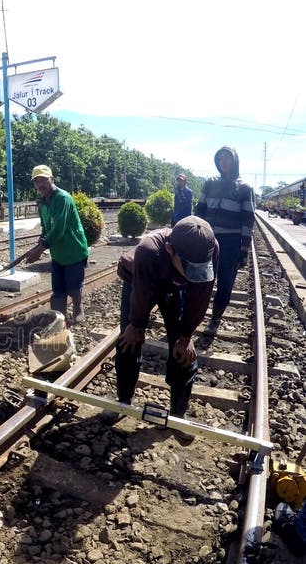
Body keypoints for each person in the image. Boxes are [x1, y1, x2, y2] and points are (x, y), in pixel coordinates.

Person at [103, 215, 219, 440]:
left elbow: (201, 295)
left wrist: (186, 335)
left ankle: (178, 414)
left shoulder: (211, 247)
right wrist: (136, 325)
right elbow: (141, 293)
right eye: (187, 266)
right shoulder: (149, 250)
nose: (193, 273)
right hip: (140, 279)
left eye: (198, 269)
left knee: (184, 349)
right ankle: (123, 401)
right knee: (129, 338)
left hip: (176, 288)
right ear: (169, 249)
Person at [194, 146, 255, 328]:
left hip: (230, 242)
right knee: (199, 278)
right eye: (220, 158)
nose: (223, 161)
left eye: (227, 158)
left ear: (235, 160)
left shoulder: (245, 187)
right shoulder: (210, 182)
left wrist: (244, 248)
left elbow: (247, 218)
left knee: (225, 283)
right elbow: (200, 209)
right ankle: (192, 317)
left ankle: (215, 318)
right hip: (208, 239)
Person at [24, 164, 89, 324]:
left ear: (51, 179)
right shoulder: (42, 202)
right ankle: (59, 319)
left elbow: (59, 228)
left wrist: (40, 250)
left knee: (73, 287)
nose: (40, 184)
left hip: (74, 251)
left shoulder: (63, 198)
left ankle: (78, 308)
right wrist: (41, 239)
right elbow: (47, 227)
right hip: (58, 253)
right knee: (58, 289)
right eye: (36, 181)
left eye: (43, 180)